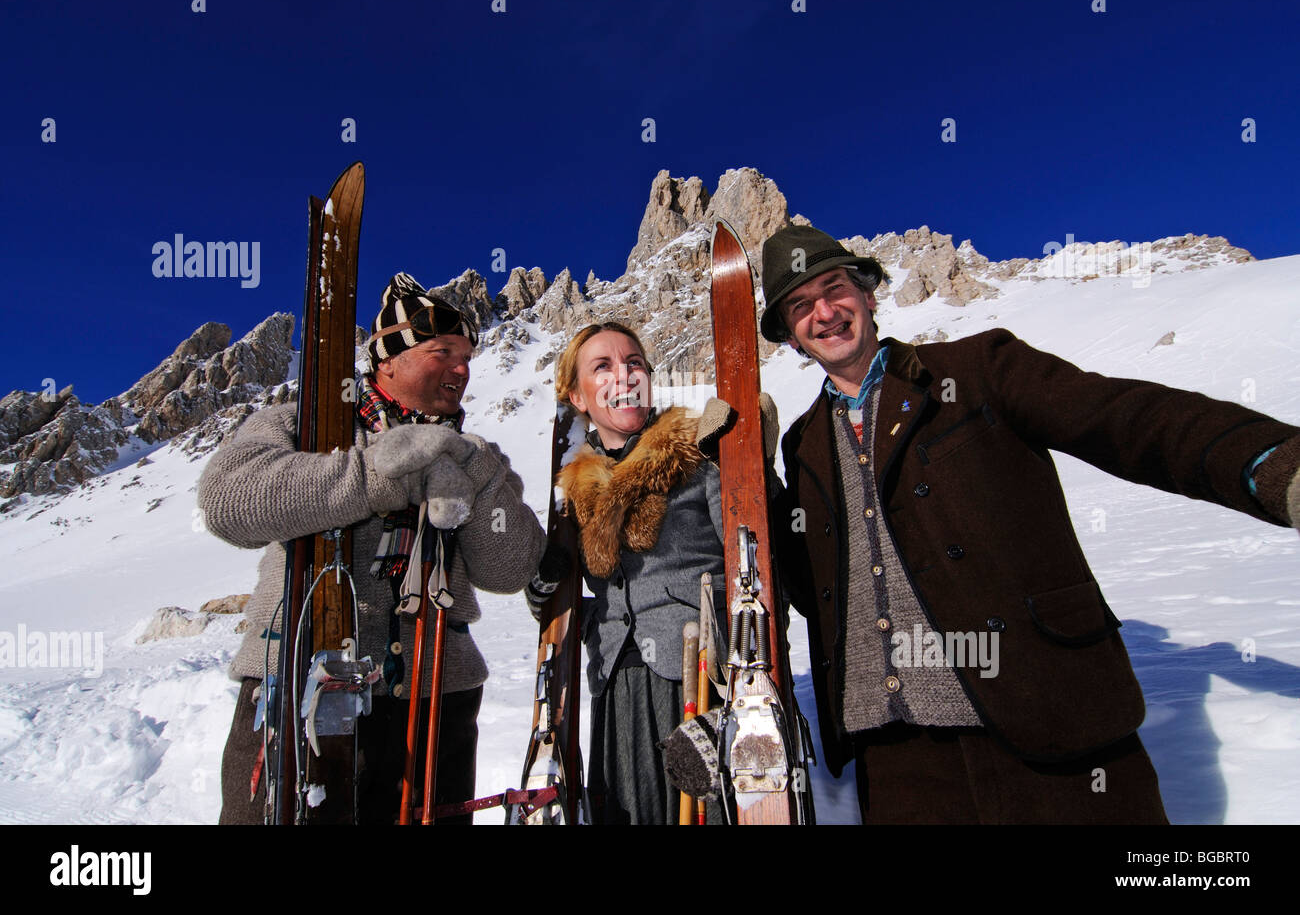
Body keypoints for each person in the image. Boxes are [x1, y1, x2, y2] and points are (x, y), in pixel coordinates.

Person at [761, 223, 1300, 824]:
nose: (825, 312)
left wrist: (1270, 465)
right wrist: (754, 473)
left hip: (1045, 714)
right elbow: (822, 589)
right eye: (801, 306)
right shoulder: (803, 441)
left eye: (835, 289)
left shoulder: (976, 369)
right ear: (789, 335)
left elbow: (1121, 417)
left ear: (867, 293)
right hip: (897, 759)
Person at [200, 272, 544, 824]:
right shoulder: (305, 423)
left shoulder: (478, 458)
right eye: (443, 351)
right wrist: (375, 476)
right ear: (388, 361)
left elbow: (512, 567)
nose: (463, 369)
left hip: (437, 706)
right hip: (297, 689)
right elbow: (229, 503)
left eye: (468, 355)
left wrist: (474, 474)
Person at [541, 322, 739, 824]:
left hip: (697, 671)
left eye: (634, 364)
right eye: (602, 367)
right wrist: (542, 577)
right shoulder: (575, 494)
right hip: (615, 682)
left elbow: (754, 549)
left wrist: (749, 457)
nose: (623, 376)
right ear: (577, 396)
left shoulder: (698, 453)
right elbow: (555, 602)